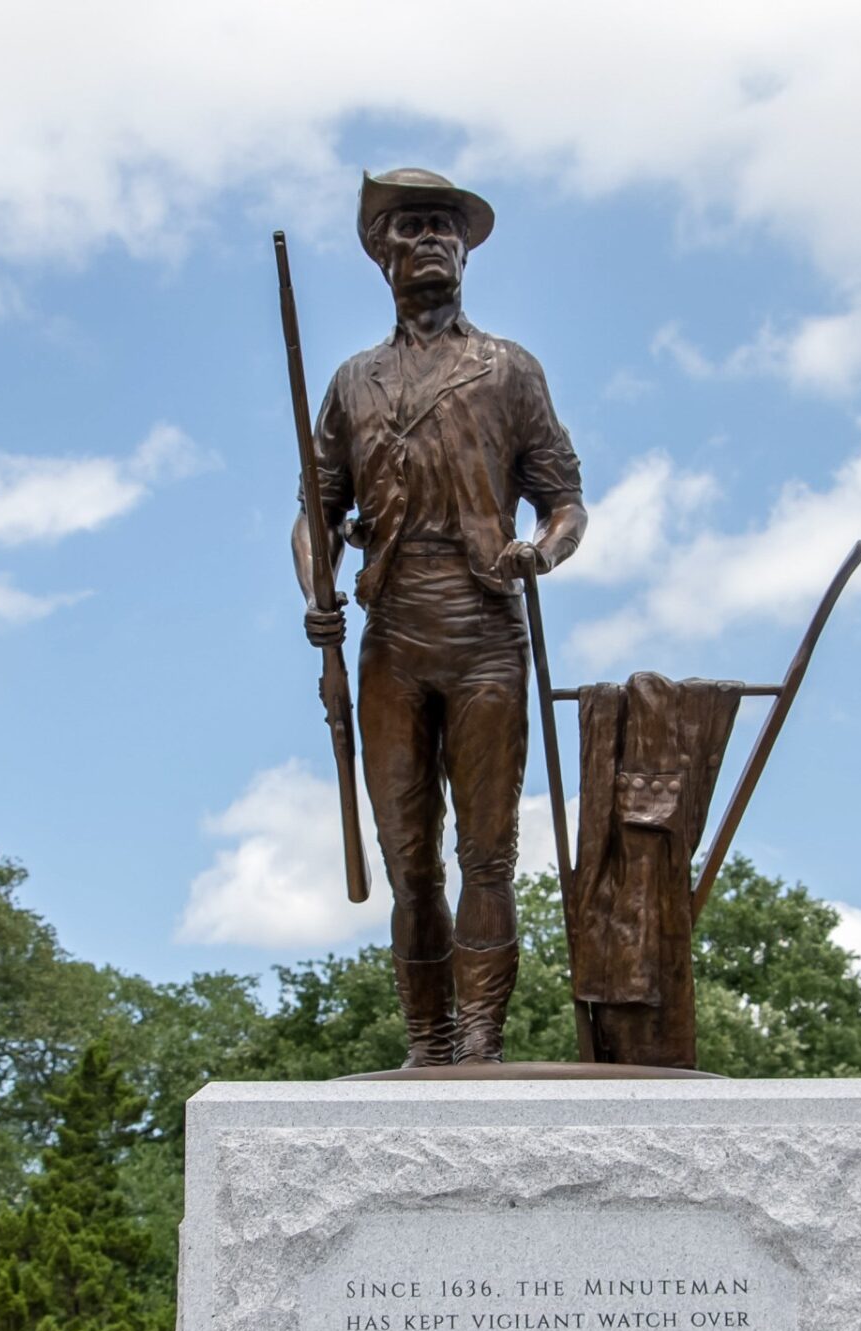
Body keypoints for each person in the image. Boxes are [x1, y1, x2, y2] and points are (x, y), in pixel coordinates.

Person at [294, 168, 587, 1065]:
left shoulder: (509, 369)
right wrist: (317, 591)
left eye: (443, 227)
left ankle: (480, 1037)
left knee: (486, 852)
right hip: (392, 632)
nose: (428, 239)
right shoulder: (353, 382)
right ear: (381, 253)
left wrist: (542, 551)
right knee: (408, 859)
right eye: (409, 226)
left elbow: (565, 501)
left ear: (464, 251)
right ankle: (427, 1040)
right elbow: (316, 511)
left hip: (485, 627)